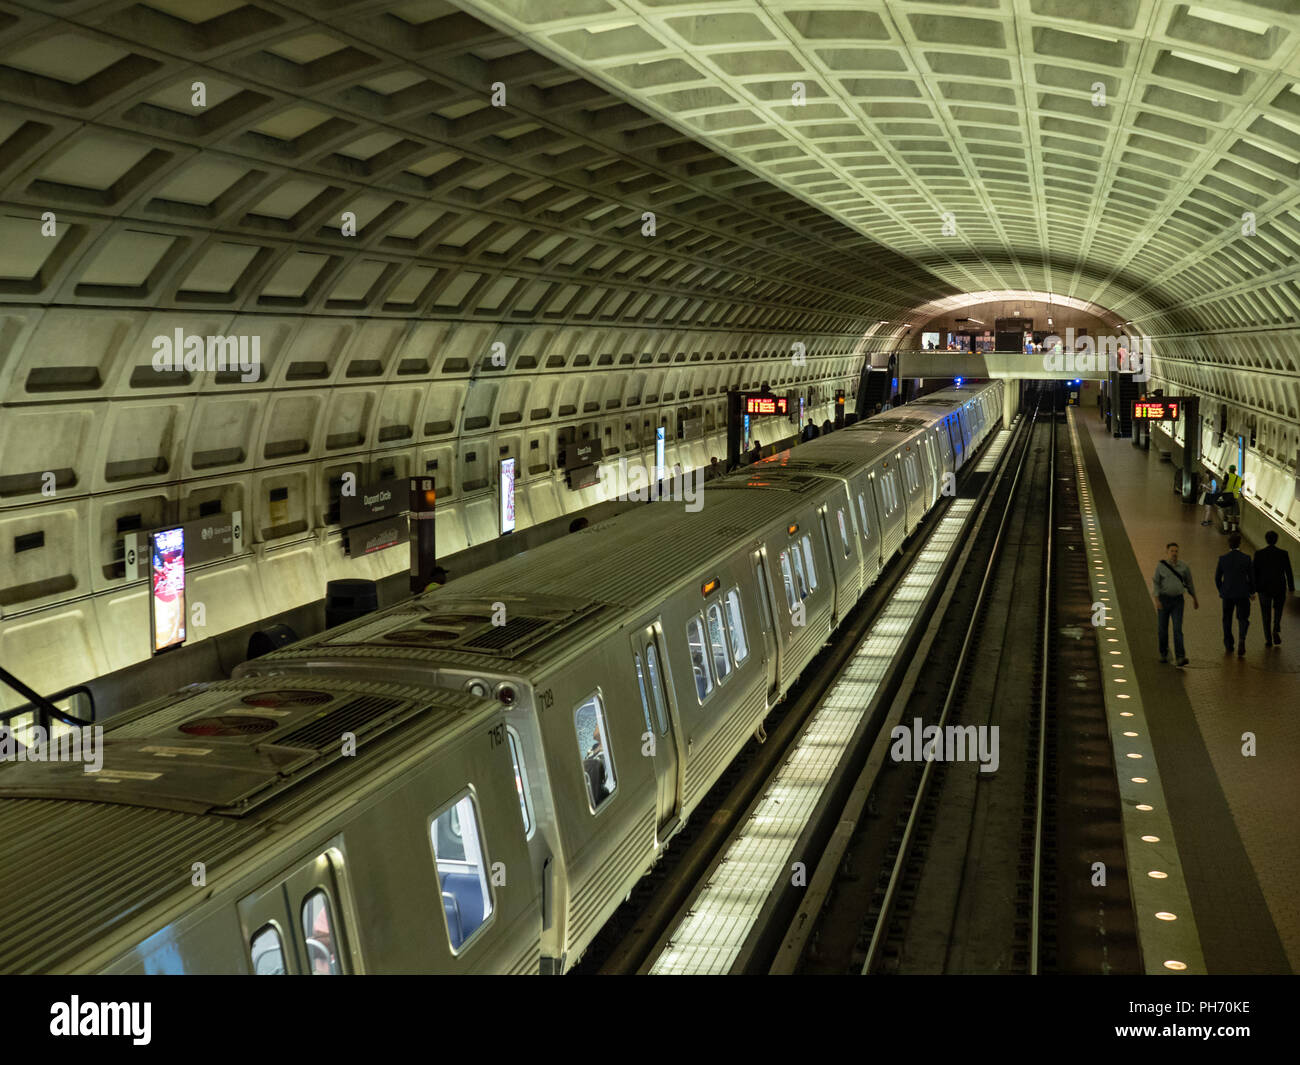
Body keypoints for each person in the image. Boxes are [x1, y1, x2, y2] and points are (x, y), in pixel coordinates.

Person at [1152, 542, 1198, 666]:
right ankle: (1163, 653)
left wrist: (1194, 597)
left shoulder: (1184, 567)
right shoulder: (1161, 566)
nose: (1174, 553)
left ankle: (1180, 656)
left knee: (1177, 629)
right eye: (1172, 551)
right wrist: (1157, 600)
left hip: (1178, 601)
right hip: (1163, 600)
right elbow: (1156, 582)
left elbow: (1189, 583)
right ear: (1167, 552)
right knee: (1162, 629)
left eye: (1176, 551)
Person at [1215, 532, 1255, 656]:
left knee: (1227, 618)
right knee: (1243, 618)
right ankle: (1242, 638)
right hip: (1242, 594)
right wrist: (1251, 592)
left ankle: (1228, 644)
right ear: (1239, 543)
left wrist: (1222, 589)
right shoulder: (1246, 558)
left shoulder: (1223, 559)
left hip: (1227, 594)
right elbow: (1252, 578)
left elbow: (1217, 578)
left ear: (1229, 543)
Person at [1253, 530, 1294, 647]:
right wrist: (1291, 587)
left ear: (1266, 539)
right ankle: (1276, 628)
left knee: (1265, 614)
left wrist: (1254, 588)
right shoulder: (1283, 553)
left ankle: (1268, 639)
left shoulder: (1259, 554)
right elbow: (1288, 571)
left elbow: (1254, 572)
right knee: (1278, 609)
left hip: (1264, 588)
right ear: (1276, 540)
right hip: (1279, 587)